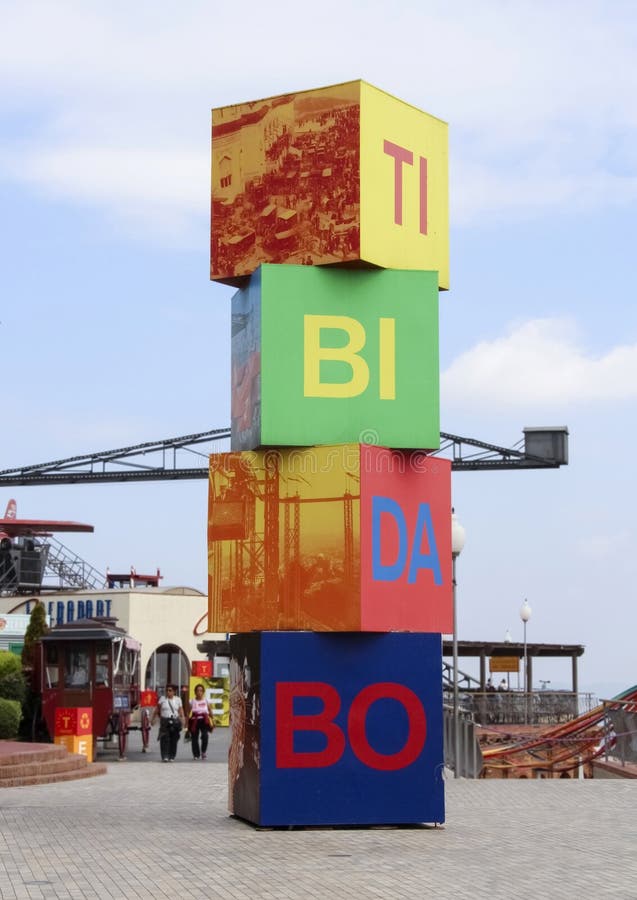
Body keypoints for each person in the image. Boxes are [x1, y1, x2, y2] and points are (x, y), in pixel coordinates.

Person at [152, 684, 185, 762]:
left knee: (174, 739)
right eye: (166, 690)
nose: (168, 692)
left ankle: (172, 756)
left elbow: (181, 710)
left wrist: (183, 719)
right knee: (164, 738)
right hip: (165, 721)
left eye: (170, 690)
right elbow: (157, 709)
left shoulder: (178, 699)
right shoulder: (162, 699)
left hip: (175, 721)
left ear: (174, 692)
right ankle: (165, 756)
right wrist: (153, 719)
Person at [188, 683, 214, 760]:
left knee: (205, 736)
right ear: (195, 692)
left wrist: (213, 719)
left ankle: (203, 752)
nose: (199, 692)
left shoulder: (206, 700)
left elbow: (210, 710)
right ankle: (196, 754)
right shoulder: (192, 701)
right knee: (194, 738)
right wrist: (186, 723)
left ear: (203, 692)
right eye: (198, 690)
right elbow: (188, 712)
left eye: (201, 690)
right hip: (194, 720)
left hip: (204, 720)